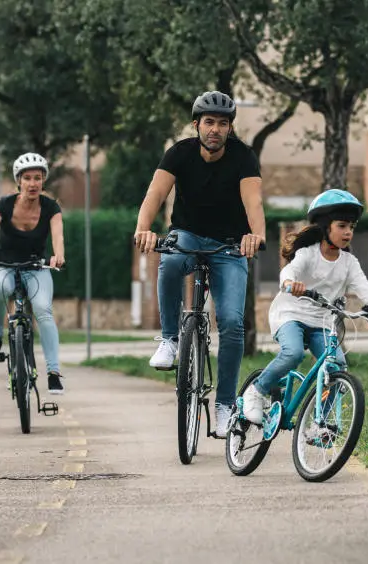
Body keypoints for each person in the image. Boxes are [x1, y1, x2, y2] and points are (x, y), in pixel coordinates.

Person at [133, 90, 266, 437]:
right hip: (188, 235)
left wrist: (256, 235)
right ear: (196, 125)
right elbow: (155, 194)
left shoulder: (243, 157)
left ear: (230, 129)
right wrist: (143, 228)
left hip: (229, 245)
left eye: (223, 124)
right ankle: (170, 340)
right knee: (171, 259)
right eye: (209, 122)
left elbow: (254, 203)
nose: (215, 130)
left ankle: (225, 407)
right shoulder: (179, 153)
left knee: (234, 323)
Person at [241, 188, 368, 424]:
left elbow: (365, 287)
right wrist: (290, 283)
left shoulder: (349, 263)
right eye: (342, 226)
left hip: (321, 322)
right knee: (292, 353)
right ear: (325, 227)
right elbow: (289, 270)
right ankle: (257, 391)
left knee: (337, 366)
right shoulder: (308, 254)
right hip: (290, 315)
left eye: (352, 227)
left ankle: (318, 424)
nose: (348, 232)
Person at [0, 152, 67, 395]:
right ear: (18, 181)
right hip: (5, 266)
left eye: (38, 178)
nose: (33, 183)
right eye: (27, 178)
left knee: (43, 310)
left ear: (43, 181)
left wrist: (58, 255)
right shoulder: (3, 204)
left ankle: (53, 373)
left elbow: (58, 236)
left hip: (36, 267)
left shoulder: (51, 207)